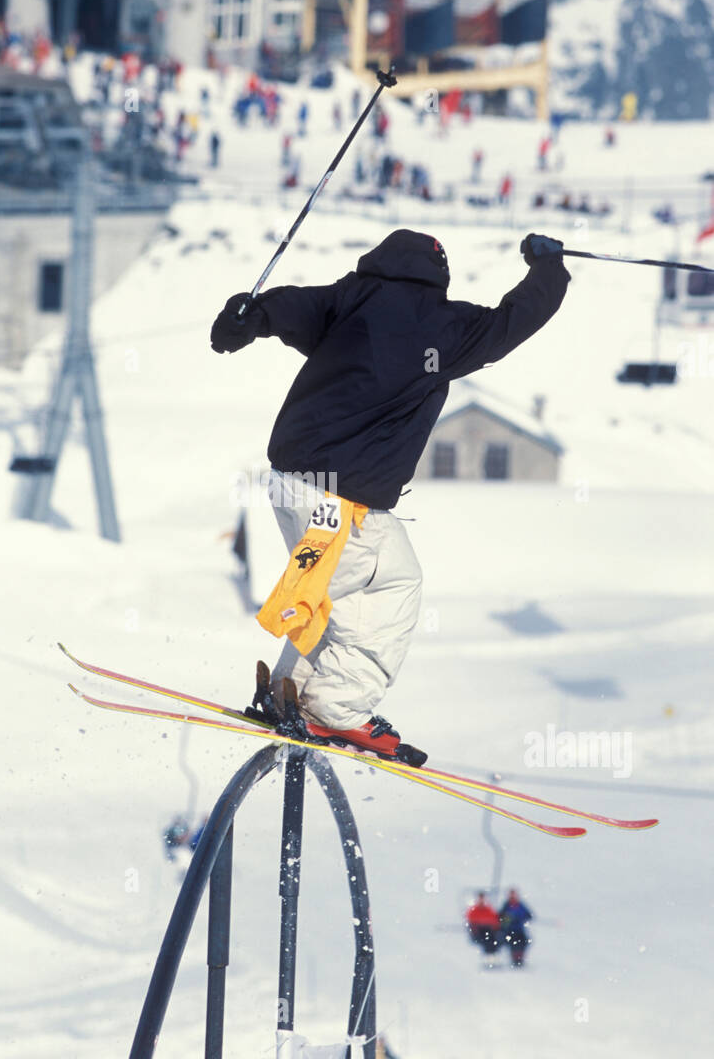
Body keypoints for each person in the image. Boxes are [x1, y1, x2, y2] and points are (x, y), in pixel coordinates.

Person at [210, 231, 569, 756]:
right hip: (338, 501)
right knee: (384, 591)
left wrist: (245, 317)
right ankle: (335, 708)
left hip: (295, 484)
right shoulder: (445, 326)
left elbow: (285, 306)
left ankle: (294, 694)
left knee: (339, 594)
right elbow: (516, 318)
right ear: (438, 273)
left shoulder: (347, 297)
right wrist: (549, 267)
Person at [499, 888, 533, 966]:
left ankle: (520, 958)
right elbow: (502, 918)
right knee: (513, 943)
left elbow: (529, 915)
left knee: (524, 942)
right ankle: (515, 958)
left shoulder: (520, 905)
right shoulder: (506, 906)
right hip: (509, 930)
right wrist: (509, 919)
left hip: (519, 929)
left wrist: (522, 918)